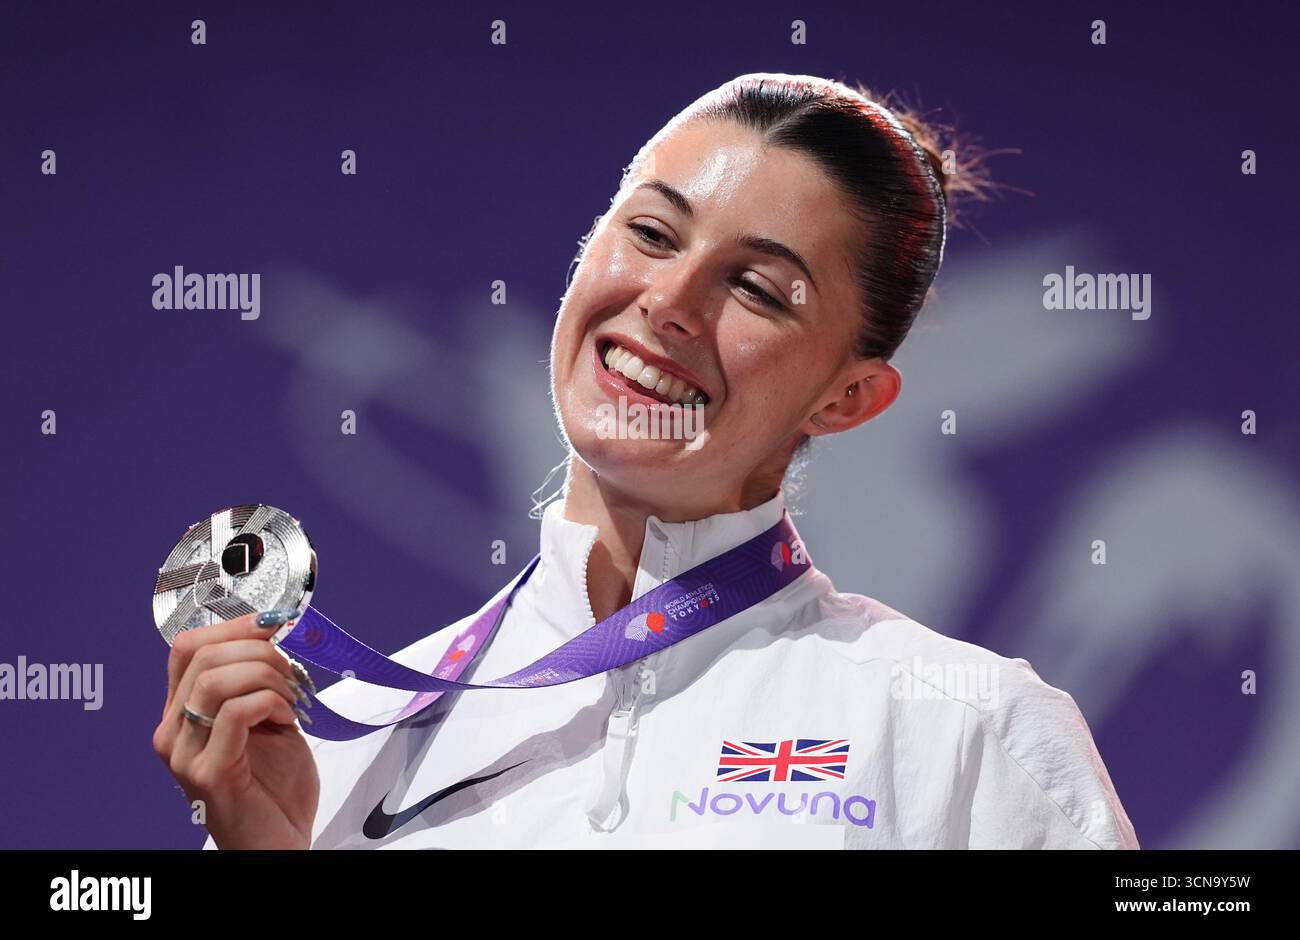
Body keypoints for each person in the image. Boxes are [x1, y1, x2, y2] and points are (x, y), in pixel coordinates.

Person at [153, 72, 1139, 850]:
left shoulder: (965, 730)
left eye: (757, 288)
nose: (669, 302)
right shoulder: (346, 742)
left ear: (847, 398)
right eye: (653, 232)